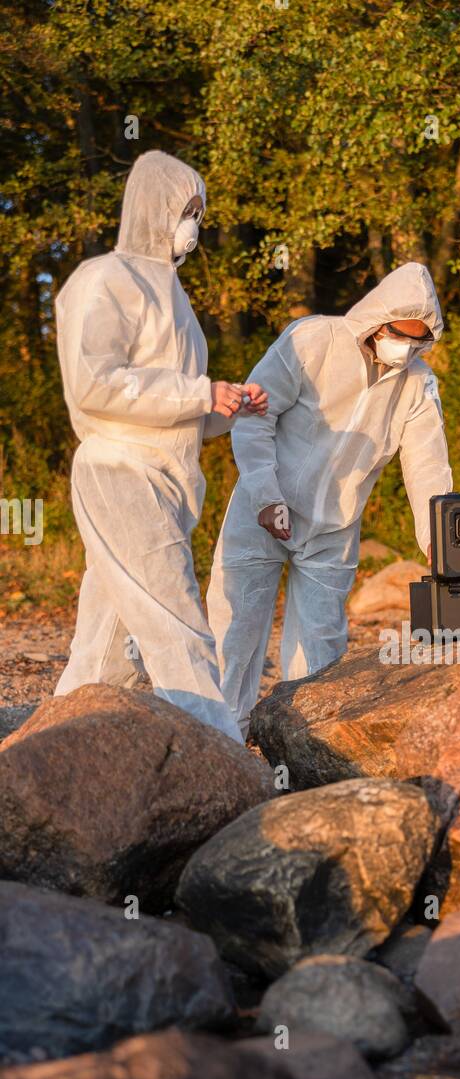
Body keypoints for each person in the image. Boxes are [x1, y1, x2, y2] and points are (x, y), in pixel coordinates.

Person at [54, 150, 268, 743]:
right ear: (153, 207)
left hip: (168, 481)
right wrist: (201, 392)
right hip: (121, 472)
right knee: (179, 624)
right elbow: (94, 384)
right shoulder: (105, 279)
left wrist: (226, 406)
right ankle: (220, 755)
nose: (193, 225)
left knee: (105, 648)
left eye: (199, 213)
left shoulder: (176, 298)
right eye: (185, 210)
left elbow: (181, 414)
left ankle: (57, 757)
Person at [207, 261, 452, 735]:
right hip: (263, 510)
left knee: (320, 647)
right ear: (378, 321)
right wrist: (264, 495)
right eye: (403, 334)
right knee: (234, 630)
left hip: (333, 528)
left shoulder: (418, 384)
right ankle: (222, 739)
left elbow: (427, 465)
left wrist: (436, 536)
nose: (410, 348)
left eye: (422, 340)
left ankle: (301, 747)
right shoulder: (311, 341)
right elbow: (256, 416)